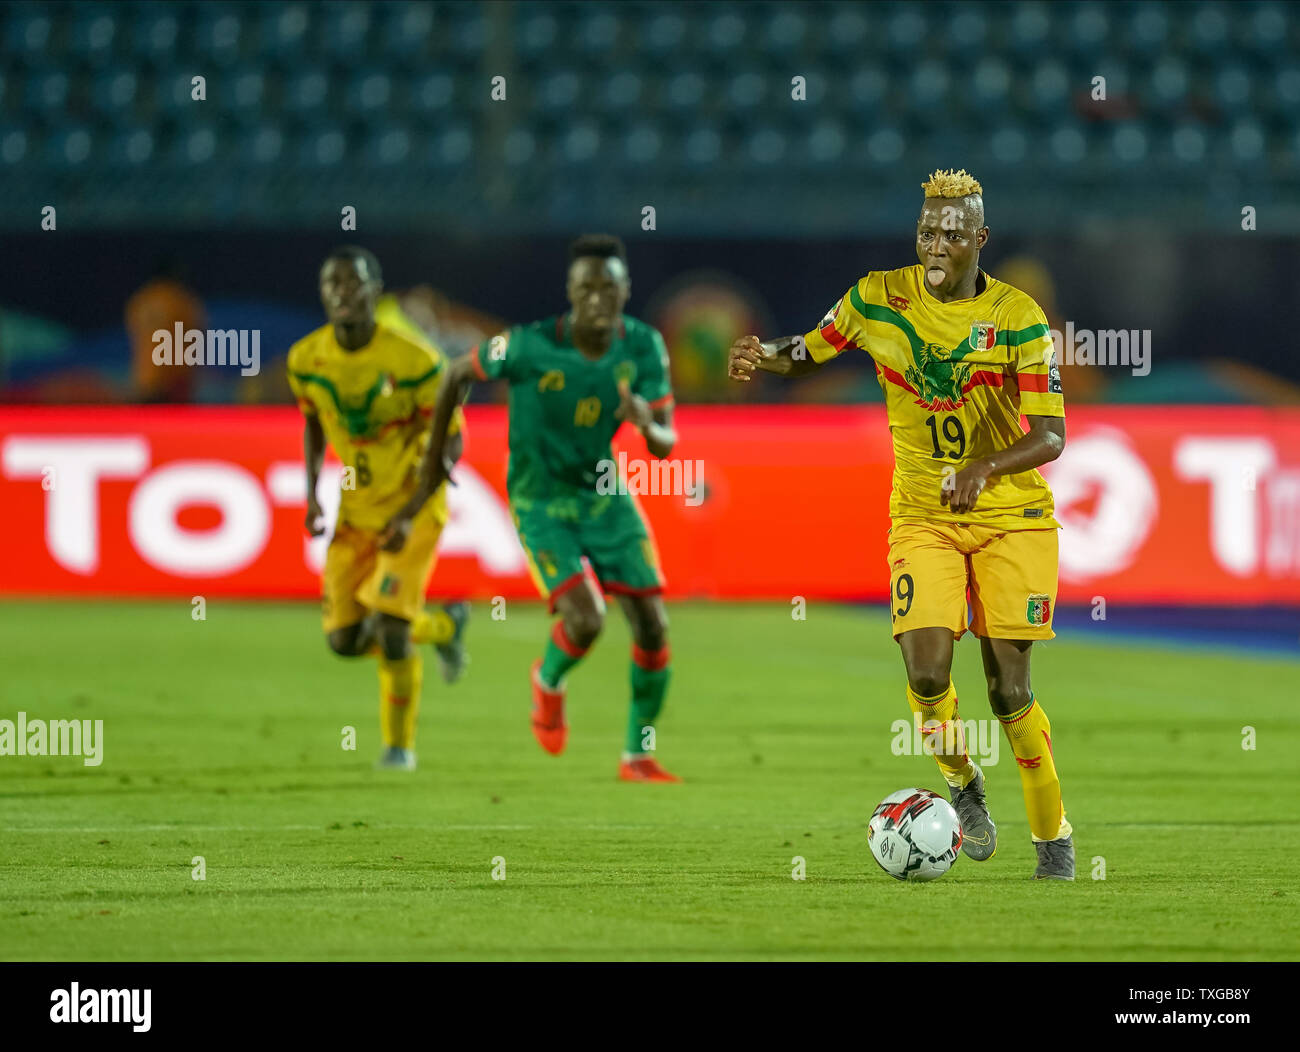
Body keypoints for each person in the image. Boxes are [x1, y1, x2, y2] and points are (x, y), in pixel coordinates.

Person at [728, 170, 1074, 878]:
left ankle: (1054, 841)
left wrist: (985, 469)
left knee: (1009, 691)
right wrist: (764, 355)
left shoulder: (1019, 318)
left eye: (953, 233)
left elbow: (1051, 435)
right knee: (925, 672)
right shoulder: (878, 297)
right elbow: (812, 351)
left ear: (980, 239)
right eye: (927, 231)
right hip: (923, 513)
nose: (937, 244)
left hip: (1012, 518)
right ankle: (964, 784)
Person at [423, 234, 683, 782]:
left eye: (607, 287)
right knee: (585, 621)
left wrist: (644, 420)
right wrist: (442, 445)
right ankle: (548, 682)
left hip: (604, 494)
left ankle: (637, 755)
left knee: (653, 627)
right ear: (570, 290)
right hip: (540, 500)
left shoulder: (642, 346)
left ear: (624, 291)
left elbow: (665, 443)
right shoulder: (528, 345)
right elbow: (455, 373)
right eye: (585, 286)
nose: (596, 297)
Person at [287, 246, 470, 771]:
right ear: (324, 294)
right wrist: (311, 494)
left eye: (355, 282)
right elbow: (315, 423)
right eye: (333, 284)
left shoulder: (416, 362)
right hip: (355, 512)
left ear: (374, 290)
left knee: (390, 628)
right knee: (344, 640)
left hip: (413, 509)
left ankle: (399, 748)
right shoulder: (306, 360)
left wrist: (411, 511)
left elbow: (450, 443)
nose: (344, 292)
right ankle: (441, 627)